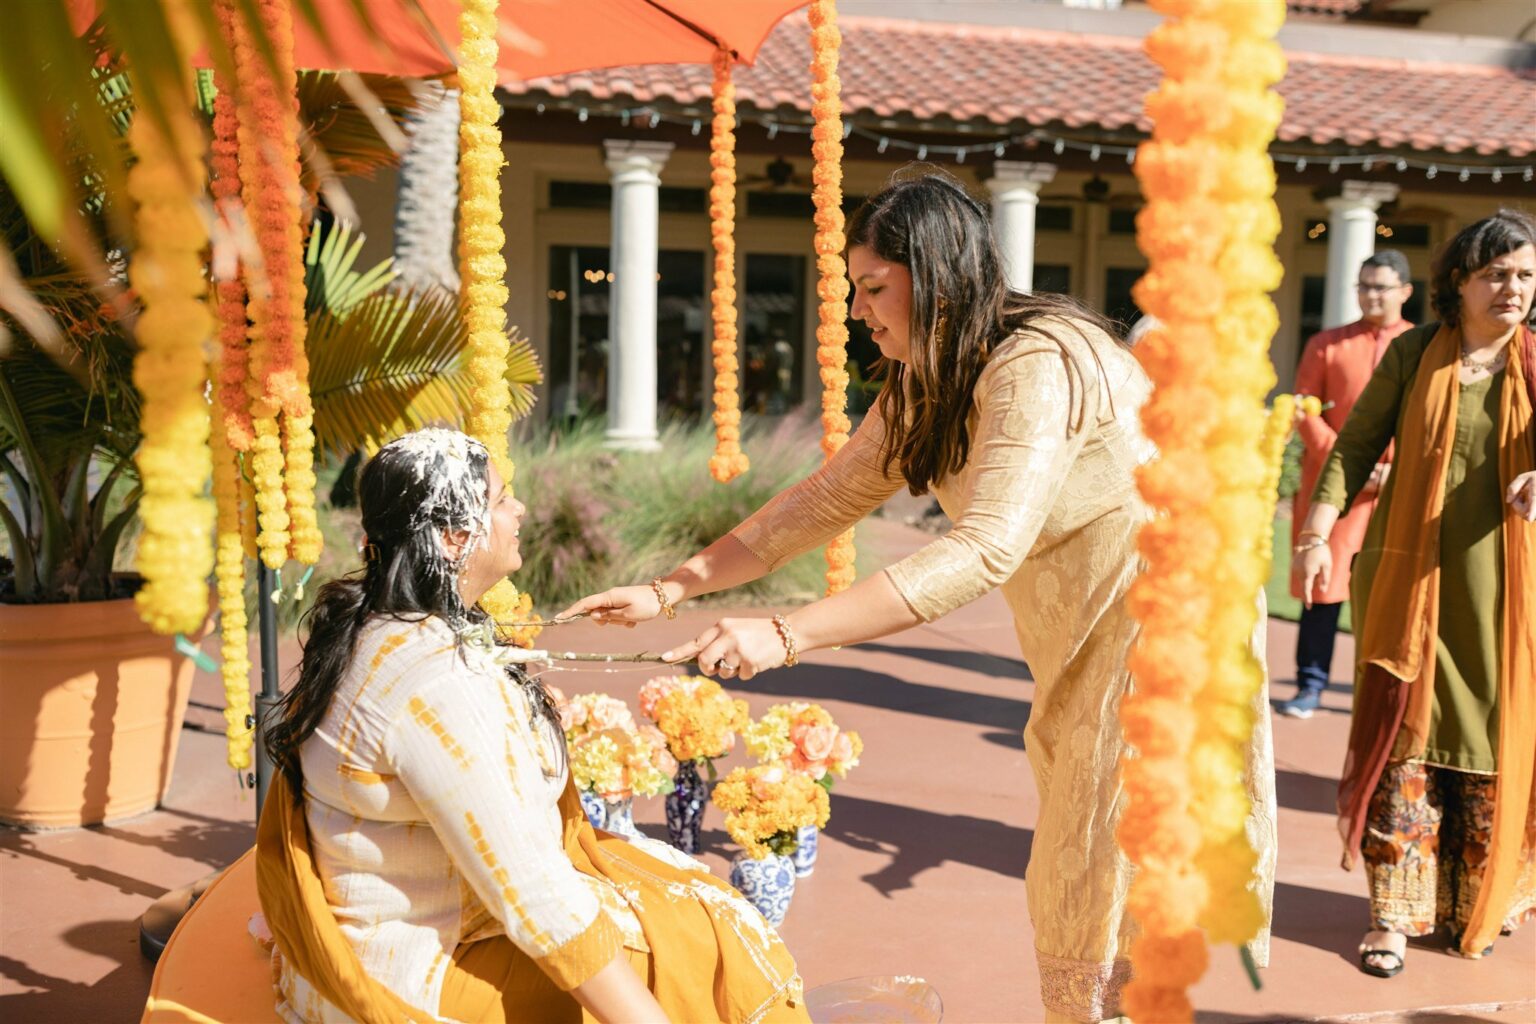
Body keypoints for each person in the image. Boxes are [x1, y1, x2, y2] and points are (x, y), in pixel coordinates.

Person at [564, 172, 1277, 1024]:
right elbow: (824, 500)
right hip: (1078, 629)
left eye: (874, 287)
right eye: (853, 289)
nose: (859, 310)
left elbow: (983, 549)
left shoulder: (1035, 362)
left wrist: (784, 634)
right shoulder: (928, 375)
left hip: (1161, 617)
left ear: (936, 274)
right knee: (1090, 846)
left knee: (1099, 849)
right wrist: (668, 586)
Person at [255, 429, 808, 1023]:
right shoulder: (437, 683)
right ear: (453, 536)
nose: (517, 509)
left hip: (420, 928)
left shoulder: (383, 622)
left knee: (689, 905)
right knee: (699, 951)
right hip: (417, 973)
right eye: (499, 500)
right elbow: (533, 895)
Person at [1296, 210, 1536, 979]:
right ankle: (1392, 918)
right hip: (1413, 593)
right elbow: (1355, 445)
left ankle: (1475, 899)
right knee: (1406, 748)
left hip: (1510, 602)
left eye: (1526, 274)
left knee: (1493, 756)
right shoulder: (1412, 354)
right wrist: (1314, 533)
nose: (1513, 288)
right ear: (1458, 283)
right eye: (1496, 273)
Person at [1279, 250, 1416, 718]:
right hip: (1333, 494)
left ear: (1405, 292)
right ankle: (1309, 685)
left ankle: (1377, 694)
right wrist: (1348, 465)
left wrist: (1396, 470)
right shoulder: (1326, 344)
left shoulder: (1420, 346)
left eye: (1380, 286)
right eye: (1363, 286)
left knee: (1389, 596)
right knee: (1323, 588)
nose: (1370, 295)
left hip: (1397, 491)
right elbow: (1304, 408)